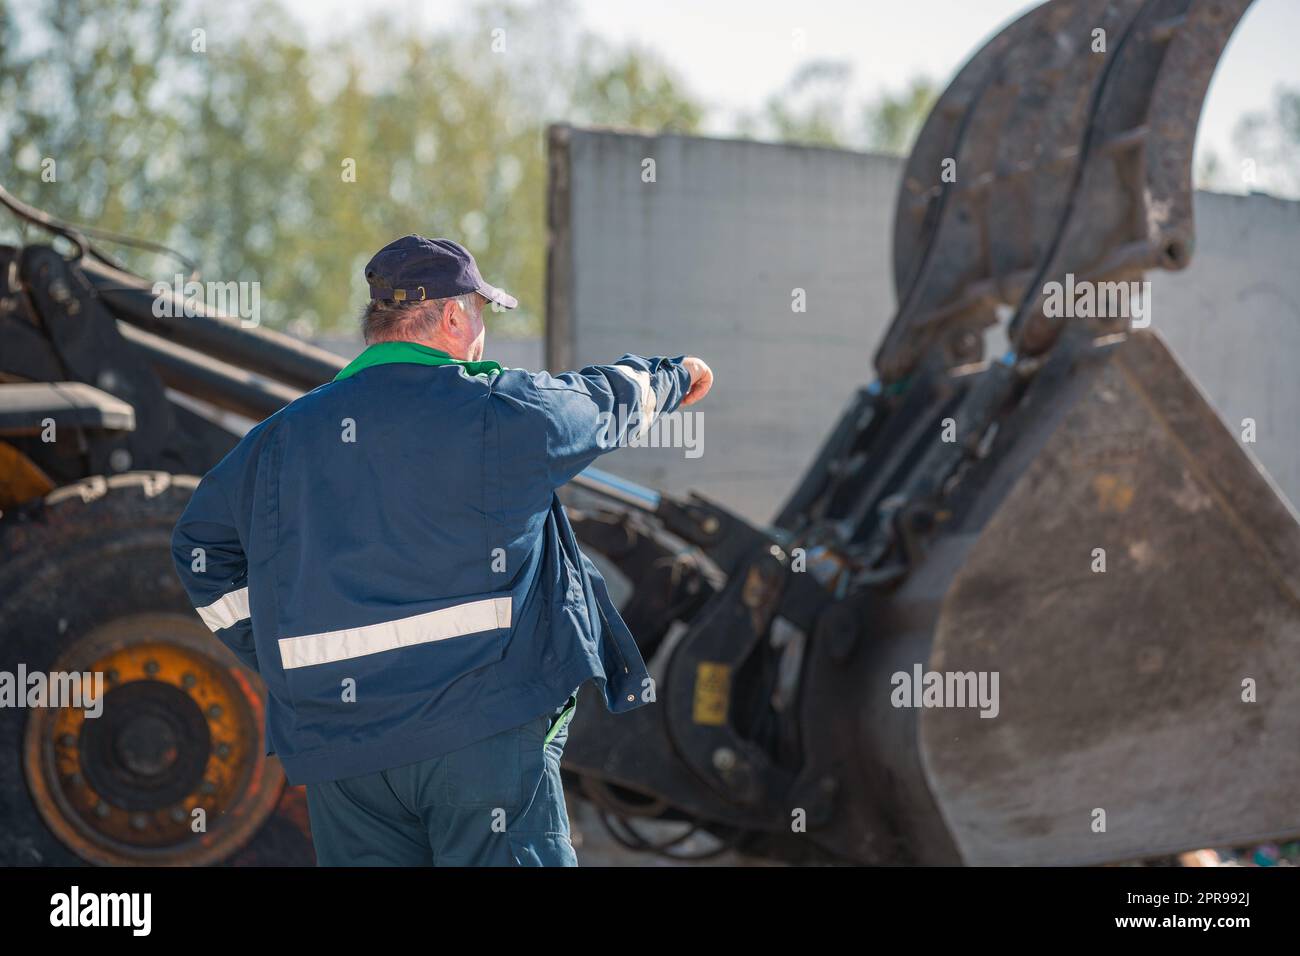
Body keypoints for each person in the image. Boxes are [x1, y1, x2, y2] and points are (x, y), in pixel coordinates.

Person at [171, 234, 713, 865]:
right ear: (455, 316)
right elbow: (595, 404)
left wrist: (280, 649)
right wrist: (674, 377)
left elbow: (199, 548)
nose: (483, 333)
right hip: (480, 735)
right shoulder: (497, 411)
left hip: (344, 754)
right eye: (481, 314)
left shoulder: (280, 439)